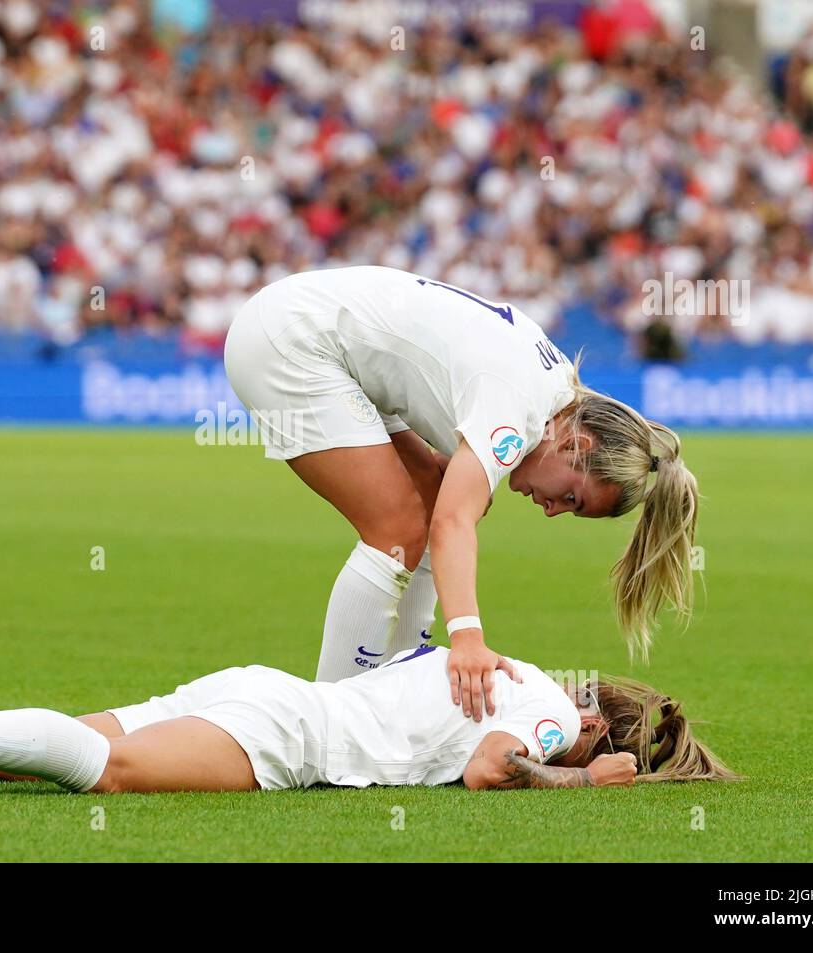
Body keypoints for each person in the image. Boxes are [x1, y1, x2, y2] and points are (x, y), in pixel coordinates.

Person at [223, 266, 700, 719]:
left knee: (430, 499)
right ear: (575, 443)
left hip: (307, 331)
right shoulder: (518, 409)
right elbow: (454, 522)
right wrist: (467, 637)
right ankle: (330, 719)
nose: (553, 512)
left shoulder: (550, 389)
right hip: (293, 342)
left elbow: (449, 499)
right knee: (396, 529)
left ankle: (400, 684)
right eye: (571, 498)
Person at [0, 644, 736, 802]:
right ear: (604, 729)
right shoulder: (554, 719)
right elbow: (490, 772)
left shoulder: (511, 661)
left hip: (262, 684)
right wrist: (574, 783)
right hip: (291, 738)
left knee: (23, 751)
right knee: (110, 772)